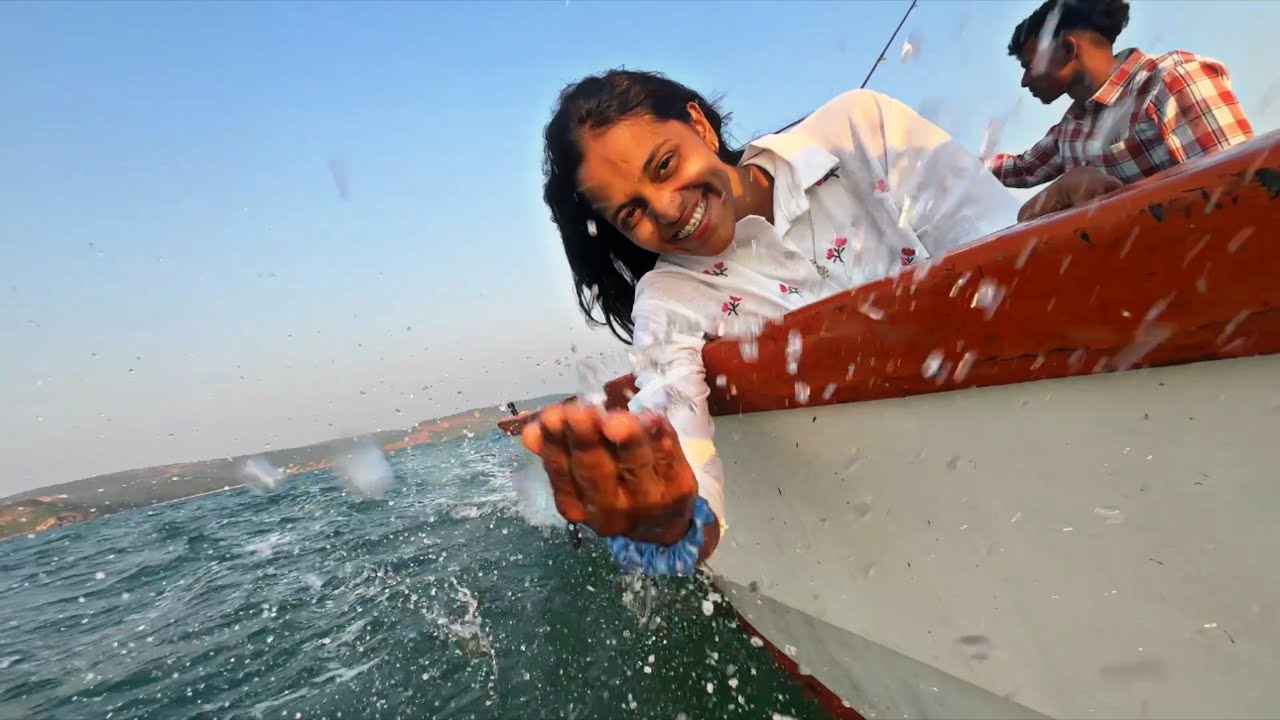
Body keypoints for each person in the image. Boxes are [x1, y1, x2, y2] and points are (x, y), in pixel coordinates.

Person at [522, 69, 1017, 576]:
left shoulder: (860, 129)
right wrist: (672, 524)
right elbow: (681, 440)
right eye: (632, 214)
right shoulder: (669, 299)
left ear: (699, 126)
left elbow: (1008, 262)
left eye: (665, 164)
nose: (668, 208)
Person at [988, 0, 1254, 222]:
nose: (1024, 81)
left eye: (1028, 65)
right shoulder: (1069, 129)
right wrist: (954, 159)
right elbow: (1021, 169)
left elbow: (1244, 194)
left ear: (1068, 49)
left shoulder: (1170, 80)